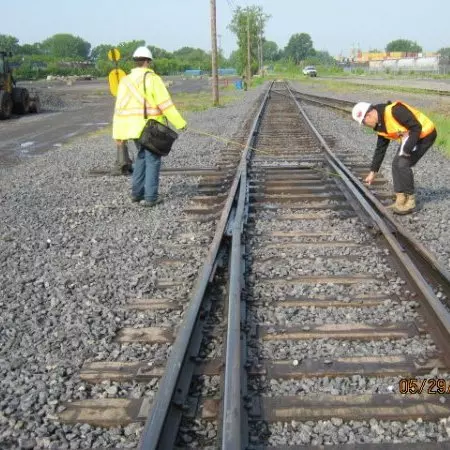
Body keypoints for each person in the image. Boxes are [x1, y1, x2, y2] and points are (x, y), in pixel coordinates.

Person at [112, 46, 186, 207]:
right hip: (150, 128)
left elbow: (118, 109)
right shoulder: (152, 79)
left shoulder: (125, 81)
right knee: (153, 159)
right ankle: (151, 197)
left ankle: (136, 194)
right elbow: (165, 104)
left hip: (131, 129)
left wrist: (118, 134)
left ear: (135, 62)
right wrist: (180, 123)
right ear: (148, 61)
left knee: (141, 158)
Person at [352, 101, 437, 215]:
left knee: (403, 164)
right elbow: (380, 149)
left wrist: (406, 149)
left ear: (369, 115)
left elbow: (417, 127)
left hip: (425, 134)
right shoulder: (380, 125)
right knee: (395, 164)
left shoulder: (395, 111)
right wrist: (373, 172)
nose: (365, 125)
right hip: (410, 137)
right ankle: (400, 198)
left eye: (364, 123)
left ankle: (410, 201)